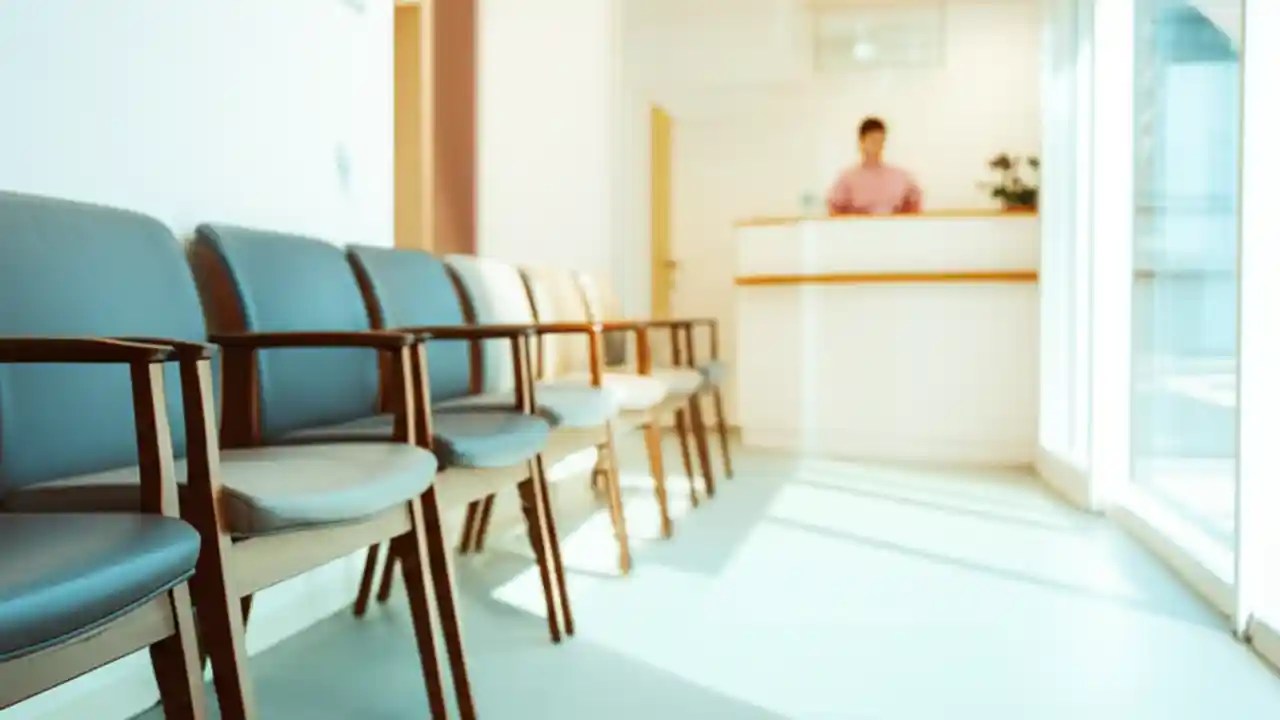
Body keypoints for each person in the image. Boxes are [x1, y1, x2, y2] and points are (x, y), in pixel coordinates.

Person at [826, 117, 922, 215]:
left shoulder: (900, 177)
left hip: (893, 228)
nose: (877, 145)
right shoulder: (847, 178)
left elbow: (914, 207)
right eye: (872, 140)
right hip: (859, 229)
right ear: (861, 142)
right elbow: (834, 213)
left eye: (880, 140)